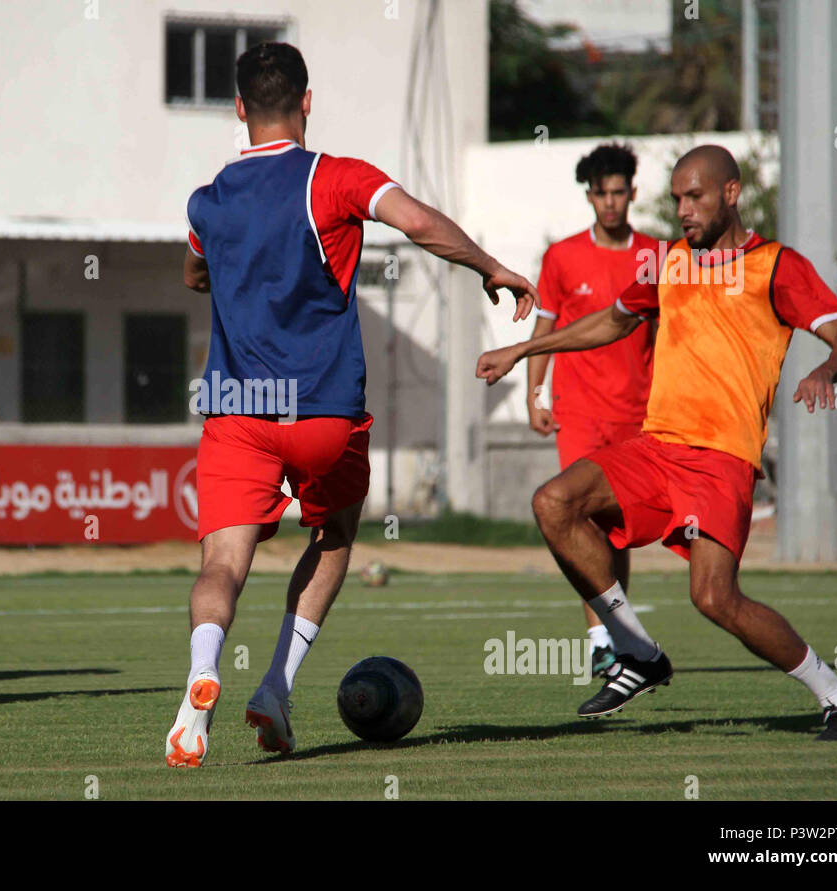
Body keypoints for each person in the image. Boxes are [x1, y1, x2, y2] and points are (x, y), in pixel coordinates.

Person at [166, 42, 538, 767]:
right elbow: (422, 224)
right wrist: (490, 267)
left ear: (239, 110)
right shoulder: (334, 178)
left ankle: (200, 677)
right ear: (308, 101)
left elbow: (193, 271)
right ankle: (274, 685)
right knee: (334, 535)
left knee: (223, 562)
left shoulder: (209, 198)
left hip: (238, 409)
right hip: (324, 414)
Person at [476, 145, 837, 741]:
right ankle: (635, 649)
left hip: (721, 459)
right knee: (554, 502)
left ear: (732, 194)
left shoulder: (777, 265)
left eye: (696, 197)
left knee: (715, 599)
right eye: (677, 200)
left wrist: (826, 370)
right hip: (657, 448)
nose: (684, 210)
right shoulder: (667, 263)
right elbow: (613, 319)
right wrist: (523, 350)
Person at [526, 143, 659, 676]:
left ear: (632, 193)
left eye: (619, 192)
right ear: (590, 196)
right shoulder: (561, 257)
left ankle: (620, 635)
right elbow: (547, 328)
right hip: (579, 412)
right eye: (601, 193)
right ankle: (602, 638)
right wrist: (535, 394)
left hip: (640, 416)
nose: (610, 202)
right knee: (580, 521)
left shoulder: (657, 254)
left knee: (618, 529)